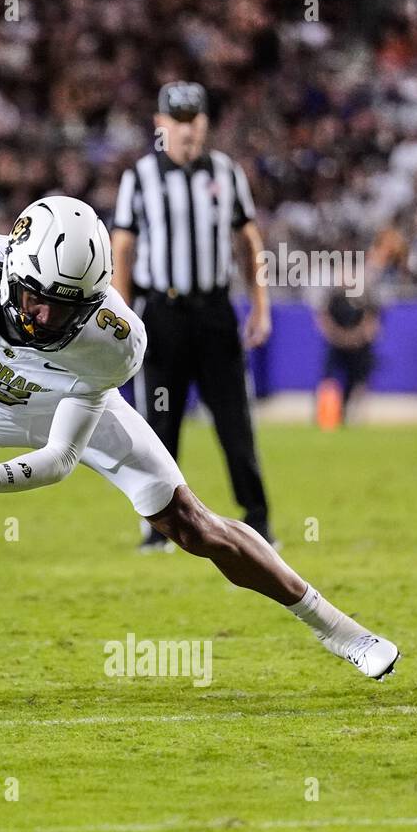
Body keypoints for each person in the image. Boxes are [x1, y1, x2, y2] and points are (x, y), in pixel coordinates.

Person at [0, 194, 399, 714]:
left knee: (192, 525)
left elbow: (58, 460)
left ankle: (338, 630)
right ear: (10, 272)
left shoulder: (113, 339)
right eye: (38, 299)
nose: (48, 317)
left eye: (66, 306)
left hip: (72, 412)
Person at [111, 81, 275, 550]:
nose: (186, 130)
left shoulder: (226, 172)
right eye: (177, 121)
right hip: (162, 312)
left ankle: (259, 521)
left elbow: (249, 242)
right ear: (161, 124)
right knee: (157, 425)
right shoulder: (140, 176)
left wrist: (260, 304)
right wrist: (125, 314)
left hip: (214, 311)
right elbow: (123, 246)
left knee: (235, 420)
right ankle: (157, 526)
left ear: (204, 123)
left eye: (194, 120)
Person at [315, 288, 381, 424]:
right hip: (337, 344)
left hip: (359, 347)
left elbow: (372, 322)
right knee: (329, 378)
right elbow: (323, 318)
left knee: (357, 381)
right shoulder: (334, 295)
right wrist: (340, 336)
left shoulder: (365, 294)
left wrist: (355, 336)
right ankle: (325, 413)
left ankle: (354, 415)